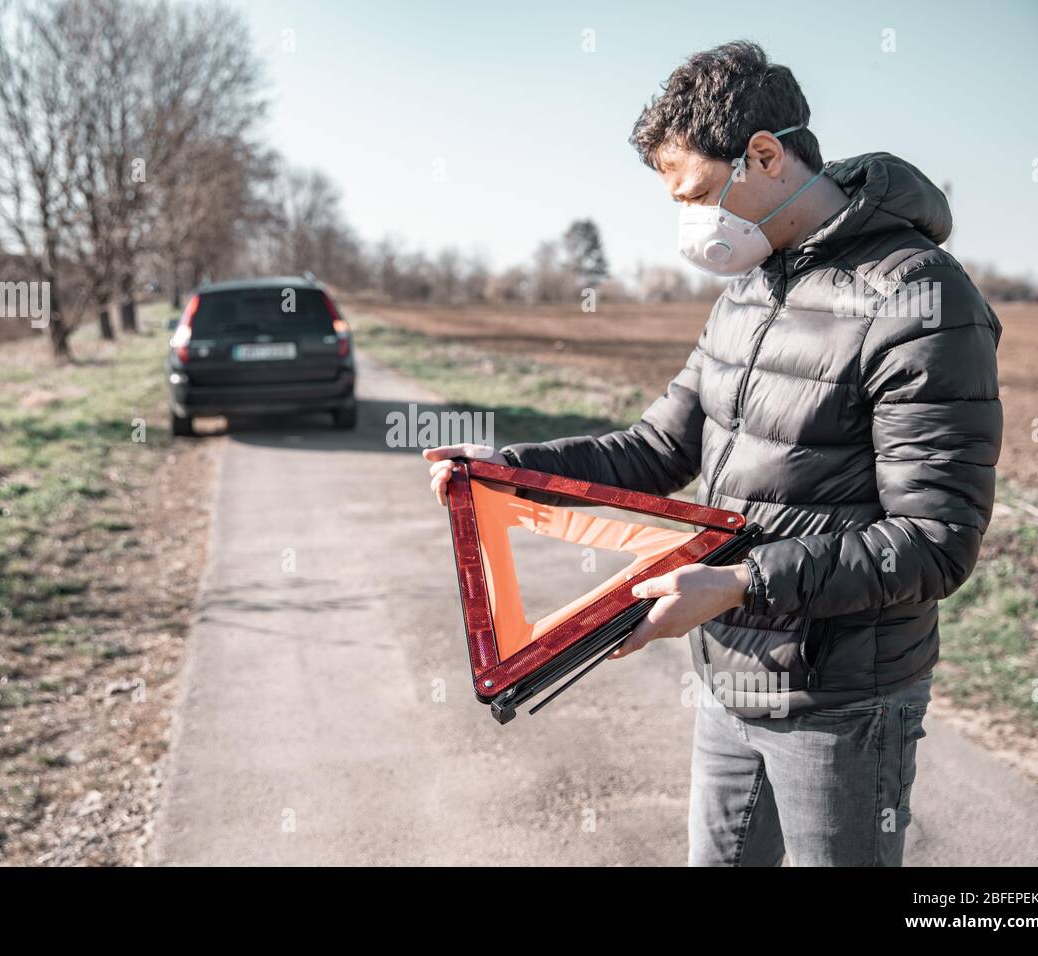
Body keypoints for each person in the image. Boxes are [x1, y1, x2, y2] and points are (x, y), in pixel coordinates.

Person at [423, 41, 1002, 867]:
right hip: (728, 679)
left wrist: (735, 583)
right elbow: (660, 447)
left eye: (697, 193)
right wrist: (504, 468)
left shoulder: (921, 298)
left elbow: (936, 543)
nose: (692, 223)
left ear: (764, 154)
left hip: (841, 703)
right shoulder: (749, 288)